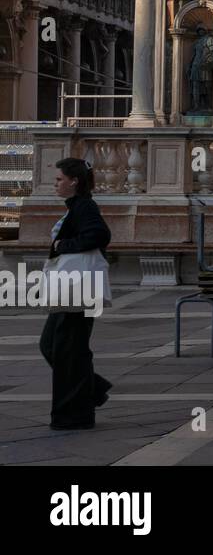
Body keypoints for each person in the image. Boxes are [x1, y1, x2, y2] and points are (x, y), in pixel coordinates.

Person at [39, 158, 113, 429]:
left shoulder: (84, 206)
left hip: (78, 289)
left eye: (59, 179)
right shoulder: (75, 207)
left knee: (70, 349)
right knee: (52, 345)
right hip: (71, 290)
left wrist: (62, 245)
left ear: (74, 182)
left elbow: (99, 235)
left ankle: (76, 412)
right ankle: (91, 390)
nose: (56, 184)